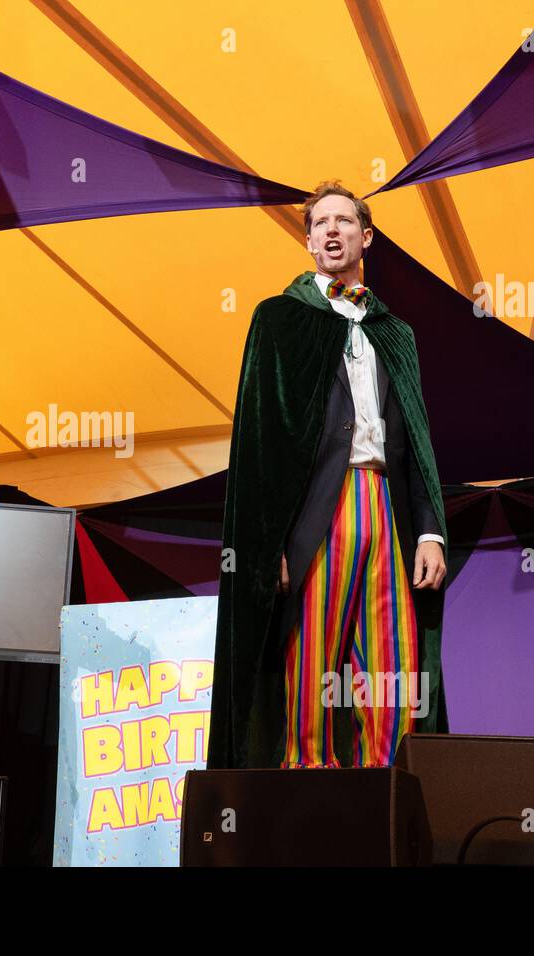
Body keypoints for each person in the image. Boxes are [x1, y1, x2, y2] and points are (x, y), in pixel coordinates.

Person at [207, 182, 448, 771]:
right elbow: (261, 442)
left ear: (366, 238)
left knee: (391, 663)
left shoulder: (396, 333)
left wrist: (429, 531)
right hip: (320, 509)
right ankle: (309, 778)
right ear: (309, 240)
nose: (333, 231)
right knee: (313, 654)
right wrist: (269, 544)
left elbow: (415, 438)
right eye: (321, 223)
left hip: (384, 503)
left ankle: (385, 786)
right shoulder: (280, 320)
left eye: (345, 221)